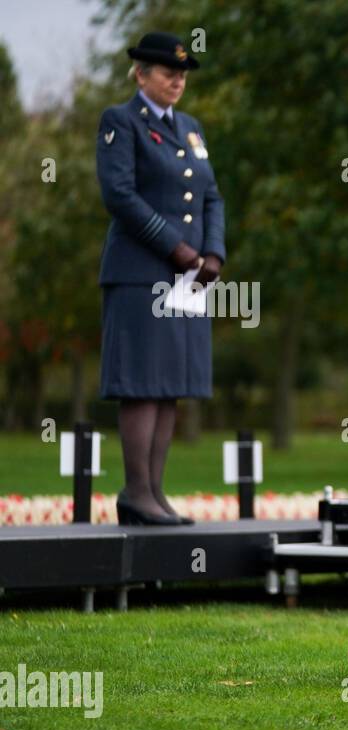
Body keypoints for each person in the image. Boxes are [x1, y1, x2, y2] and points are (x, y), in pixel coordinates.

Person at [97, 31, 225, 525]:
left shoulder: (190, 128)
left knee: (169, 383)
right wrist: (177, 248)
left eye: (182, 73)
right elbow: (120, 196)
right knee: (141, 383)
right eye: (167, 71)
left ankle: (154, 492)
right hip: (140, 272)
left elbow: (211, 195)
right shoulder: (121, 122)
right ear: (140, 74)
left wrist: (213, 252)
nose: (177, 79)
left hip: (186, 277)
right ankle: (135, 492)